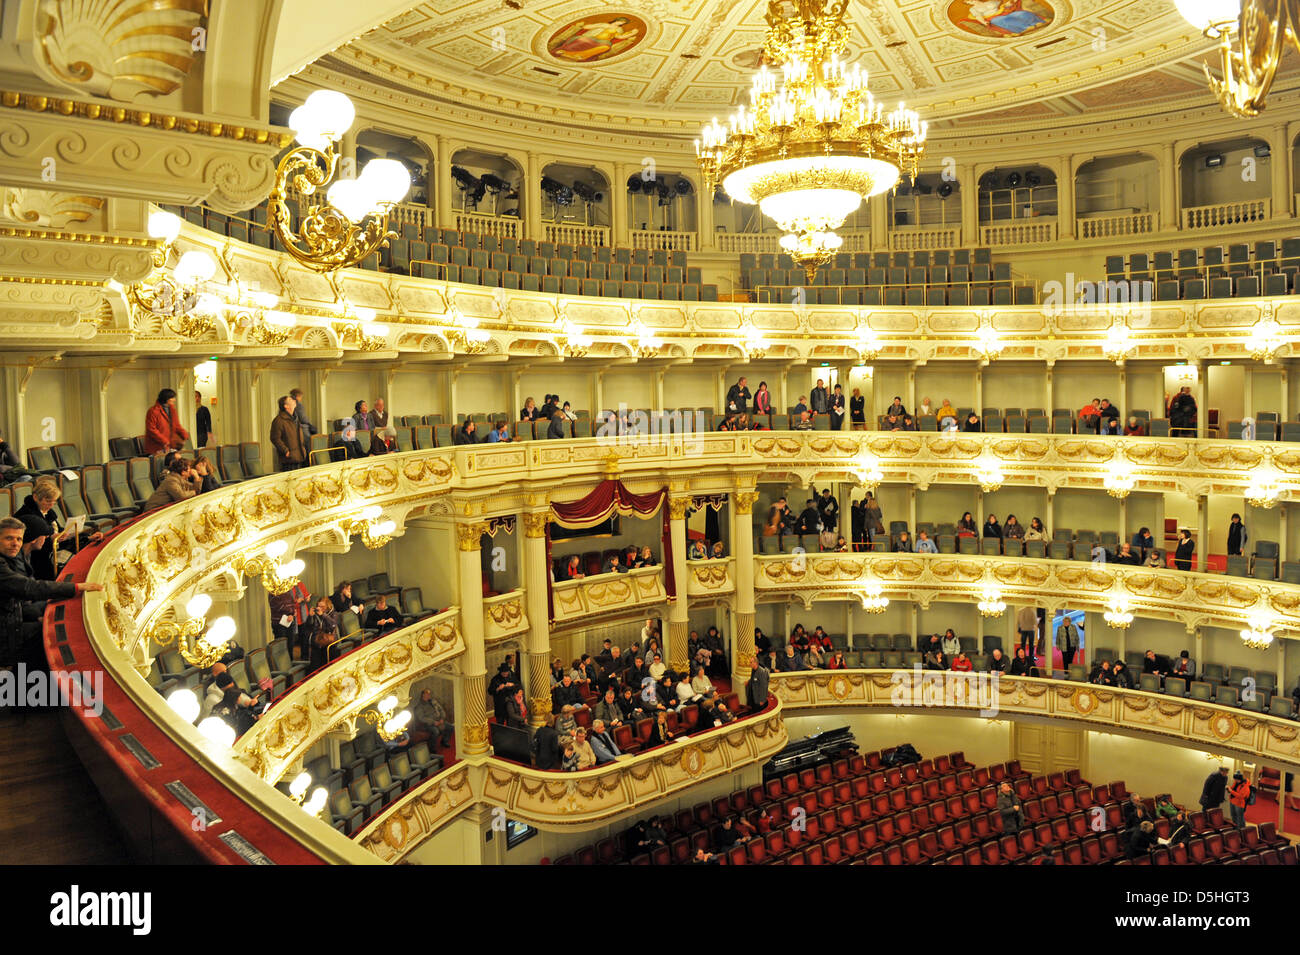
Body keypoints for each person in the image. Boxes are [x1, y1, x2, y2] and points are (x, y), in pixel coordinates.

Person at [143, 388, 189, 454]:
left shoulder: (172, 410)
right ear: (167, 399)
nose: (174, 400)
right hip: (156, 447)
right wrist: (164, 440)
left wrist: (184, 434)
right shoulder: (153, 411)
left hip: (169, 446)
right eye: (172, 398)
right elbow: (151, 429)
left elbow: (176, 425)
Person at [270, 394, 307, 471]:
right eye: (290, 400)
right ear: (286, 406)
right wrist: (286, 451)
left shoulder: (295, 418)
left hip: (299, 456)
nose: (294, 400)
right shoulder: (279, 420)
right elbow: (274, 438)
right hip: (289, 460)